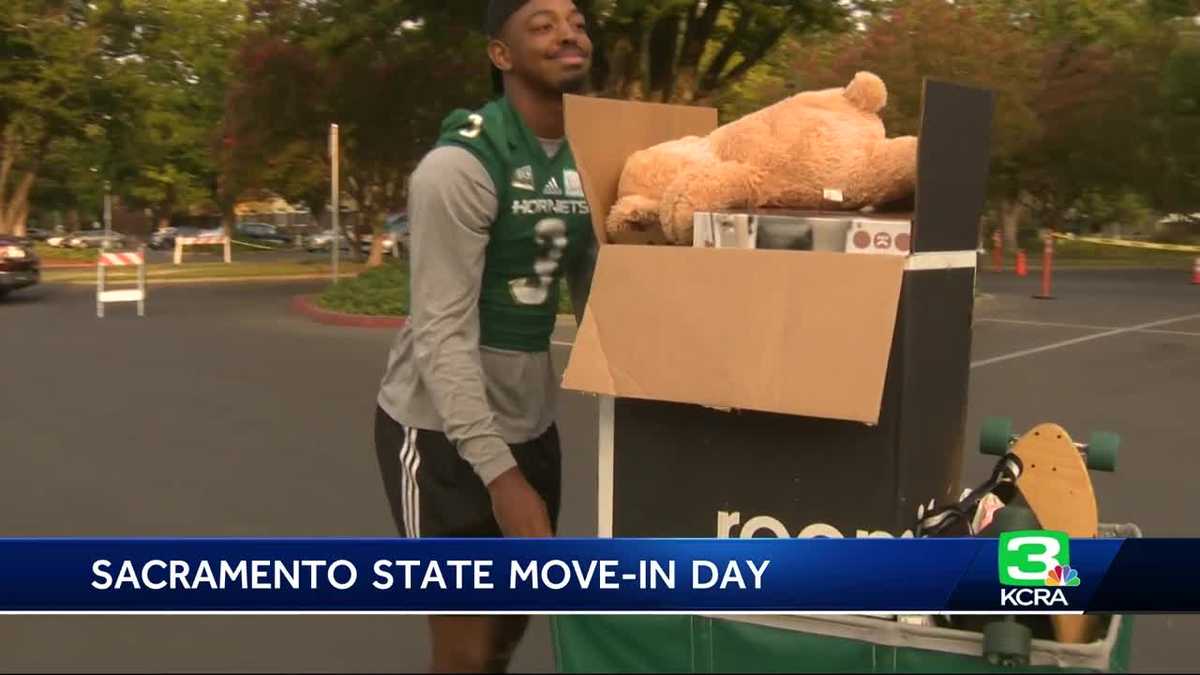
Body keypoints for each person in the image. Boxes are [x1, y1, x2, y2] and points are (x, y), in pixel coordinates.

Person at [372, 0, 595, 671]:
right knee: (465, 647)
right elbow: (441, 331)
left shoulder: (596, 154)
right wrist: (500, 475)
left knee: (503, 634)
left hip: (532, 421)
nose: (568, 32)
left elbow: (596, 298)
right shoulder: (459, 164)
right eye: (543, 24)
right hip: (438, 430)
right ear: (501, 56)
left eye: (577, 21)